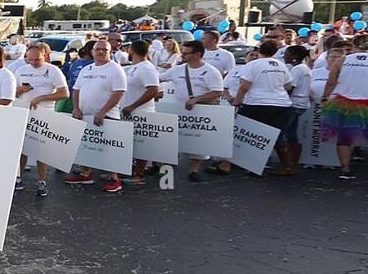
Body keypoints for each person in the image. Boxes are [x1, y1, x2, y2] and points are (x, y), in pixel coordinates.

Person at [66, 39, 127, 193]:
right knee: (87, 146)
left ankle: (115, 179)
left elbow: (118, 92)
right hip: (85, 115)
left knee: (109, 149)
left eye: (104, 50)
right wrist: (76, 108)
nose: (100, 52)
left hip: (106, 116)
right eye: (97, 49)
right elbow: (76, 89)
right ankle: (86, 174)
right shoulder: (87, 69)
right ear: (92, 51)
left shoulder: (115, 69)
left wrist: (103, 112)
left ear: (110, 52)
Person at [163, 40, 228, 182]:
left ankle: (194, 169)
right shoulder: (178, 69)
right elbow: (160, 79)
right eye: (183, 53)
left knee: (198, 139)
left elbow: (217, 91)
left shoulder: (211, 71)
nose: (183, 56)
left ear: (198, 54)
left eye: (186, 53)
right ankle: (162, 163)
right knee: (173, 136)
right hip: (179, 109)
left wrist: (196, 99)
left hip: (201, 111)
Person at [231, 39, 295, 176]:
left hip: (257, 104)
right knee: (277, 136)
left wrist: (237, 102)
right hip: (282, 105)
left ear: (259, 51)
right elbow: (289, 86)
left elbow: (244, 86)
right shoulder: (281, 65)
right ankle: (288, 166)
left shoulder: (252, 65)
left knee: (253, 135)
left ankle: (254, 165)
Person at [13, 43, 68, 197]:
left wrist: (42, 97)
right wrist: (21, 90)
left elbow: (64, 93)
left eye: (37, 59)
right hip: (24, 111)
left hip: (44, 113)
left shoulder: (53, 70)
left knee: (41, 150)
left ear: (45, 55)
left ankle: (42, 181)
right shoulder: (21, 70)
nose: (33, 63)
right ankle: (18, 178)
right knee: (22, 147)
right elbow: (14, 91)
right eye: (30, 60)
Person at [320, 33, 368, 180]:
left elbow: (331, 82)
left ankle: (345, 169)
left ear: (354, 46)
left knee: (344, 138)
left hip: (345, 103)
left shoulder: (343, 60)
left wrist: (325, 97)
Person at [120, 40, 162, 186]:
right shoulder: (134, 67)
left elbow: (153, 90)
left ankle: (140, 174)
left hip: (141, 111)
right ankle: (128, 170)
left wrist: (132, 106)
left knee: (141, 144)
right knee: (131, 143)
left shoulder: (146, 68)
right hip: (128, 111)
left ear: (131, 51)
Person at [281, 46, 313, 171]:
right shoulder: (304, 68)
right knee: (291, 134)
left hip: (293, 105)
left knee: (281, 134)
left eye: (286, 54)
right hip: (301, 104)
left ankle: (287, 165)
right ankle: (293, 162)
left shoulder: (297, 69)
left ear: (294, 57)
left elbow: (290, 88)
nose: (284, 56)